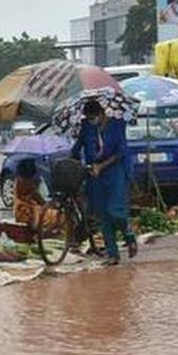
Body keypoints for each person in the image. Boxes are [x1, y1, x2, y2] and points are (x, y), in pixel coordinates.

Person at [72, 100, 137, 265]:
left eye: (93, 117)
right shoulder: (86, 127)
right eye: (88, 117)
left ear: (101, 114)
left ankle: (128, 233)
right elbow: (77, 147)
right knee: (104, 215)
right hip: (94, 175)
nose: (91, 120)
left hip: (115, 171)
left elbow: (121, 151)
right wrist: (77, 164)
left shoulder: (117, 125)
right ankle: (112, 254)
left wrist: (102, 165)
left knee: (115, 210)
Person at [13, 159, 57, 230]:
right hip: (29, 215)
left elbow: (40, 199)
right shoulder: (19, 186)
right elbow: (34, 223)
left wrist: (46, 204)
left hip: (39, 211)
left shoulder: (33, 184)